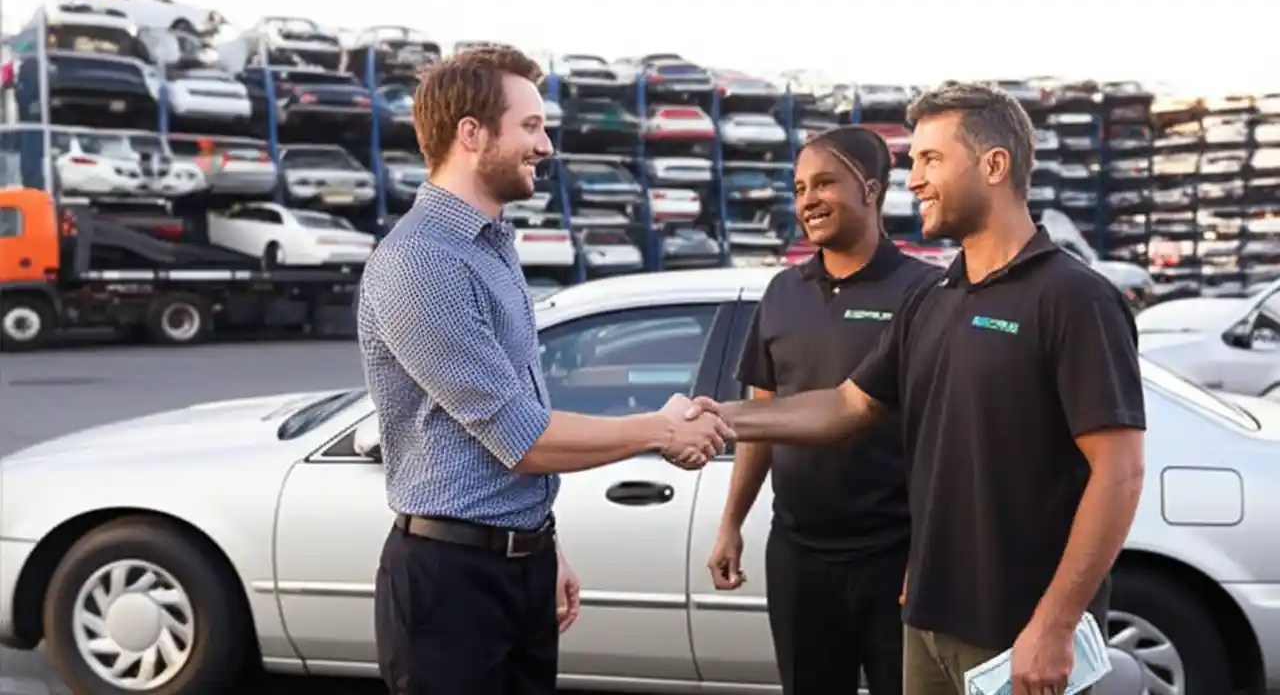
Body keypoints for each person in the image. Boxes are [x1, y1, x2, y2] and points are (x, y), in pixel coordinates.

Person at [688, 82, 1146, 695]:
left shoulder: (1074, 298)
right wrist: (719, 416)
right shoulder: (933, 299)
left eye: (930, 160)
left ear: (994, 164)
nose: (913, 180)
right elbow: (847, 405)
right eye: (912, 163)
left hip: (1016, 631)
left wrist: (1055, 625)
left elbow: (1118, 473)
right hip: (927, 619)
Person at [356, 45, 733, 695]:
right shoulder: (421, 262)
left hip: (515, 567)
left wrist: (540, 542)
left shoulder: (492, 248)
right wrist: (662, 430)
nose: (546, 145)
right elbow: (521, 438)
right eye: (529, 126)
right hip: (451, 583)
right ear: (471, 135)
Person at [706, 125, 940, 695]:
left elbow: (943, 439)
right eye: (799, 187)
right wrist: (731, 523)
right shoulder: (782, 293)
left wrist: (930, 555)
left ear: (872, 190)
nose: (808, 199)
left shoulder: (927, 293)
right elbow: (763, 421)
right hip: (799, 555)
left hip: (896, 555)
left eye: (825, 183)